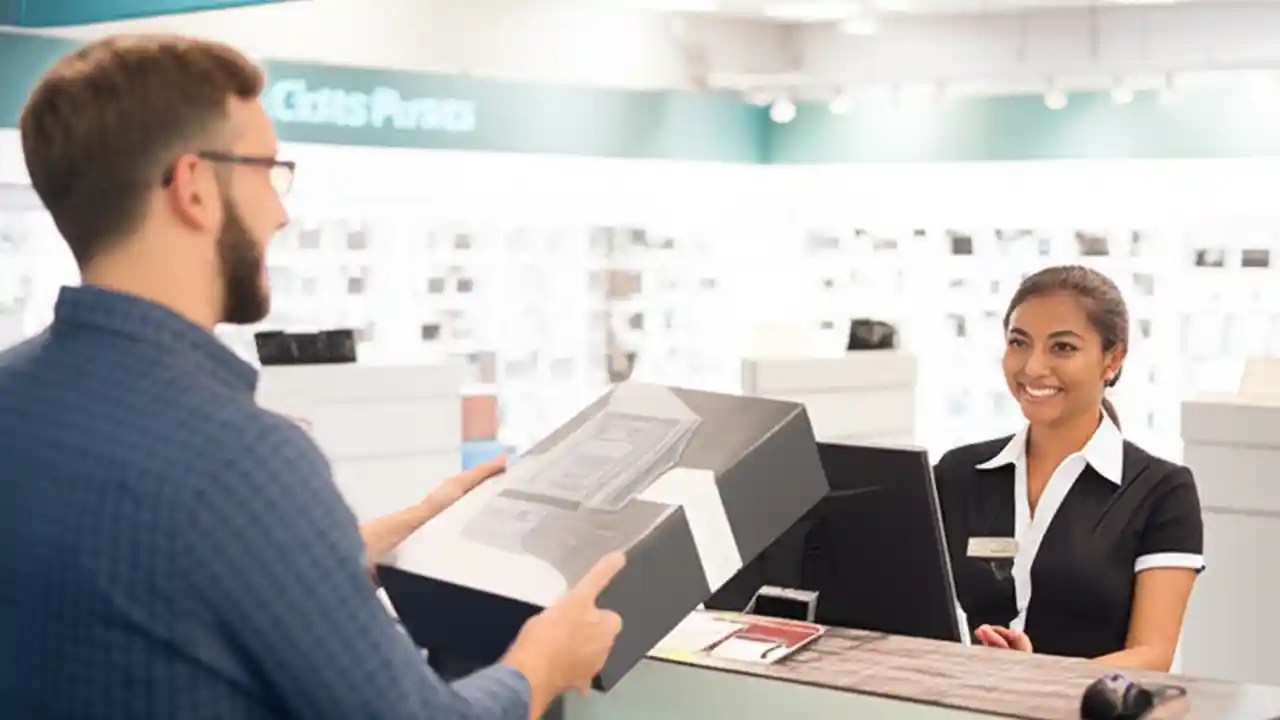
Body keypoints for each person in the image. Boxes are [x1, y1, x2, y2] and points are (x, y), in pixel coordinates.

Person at [0, 34, 623, 719]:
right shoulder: (240, 458)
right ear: (195, 188)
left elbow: (139, 587)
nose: (281, 211)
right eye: (268, 169)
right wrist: (541, 664)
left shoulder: (17, 397)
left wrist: (392, 531)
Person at [933, 265, 1204, 672]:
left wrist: (1038, 678)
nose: (1033, 367)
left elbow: (1152, 655)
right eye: (1019, 343)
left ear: (1112, 360)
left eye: (1062, 348)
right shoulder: (957, 473)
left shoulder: (1162, 491)